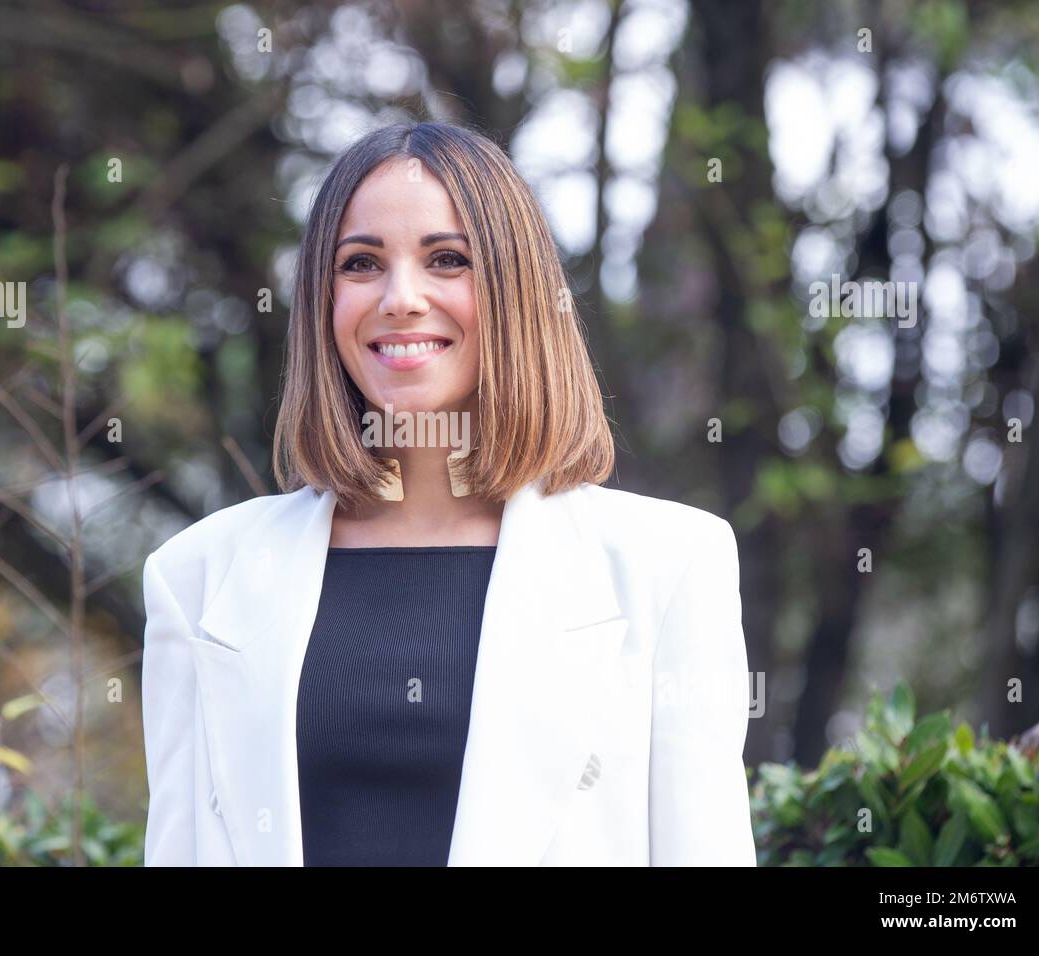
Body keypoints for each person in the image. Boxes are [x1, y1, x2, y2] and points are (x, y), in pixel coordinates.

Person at [141, 120, 757, 866]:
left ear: (517, 292)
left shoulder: (669, 566)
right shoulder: (198, 577)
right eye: (361, 263)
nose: (401, 298)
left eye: (447, 259)